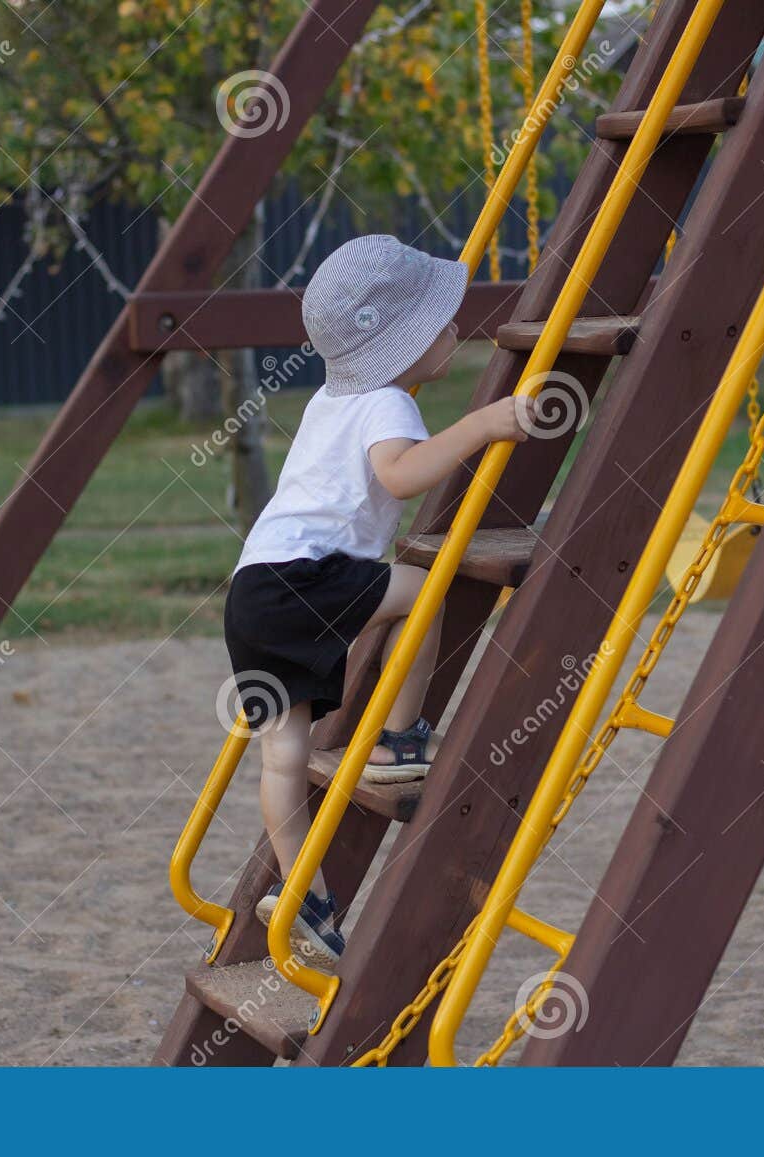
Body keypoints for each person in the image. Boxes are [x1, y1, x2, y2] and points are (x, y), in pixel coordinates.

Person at [223, 234, 531, 966]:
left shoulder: (331, 401)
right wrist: (482, 425)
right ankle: (399, 738)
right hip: (308, 576)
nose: (455, 329)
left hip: (254, 588)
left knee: (283, 752)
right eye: (439, 323)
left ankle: (305, 891)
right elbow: (400, 477)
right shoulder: (387, 403)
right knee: (422, 595)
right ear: (399, 346)